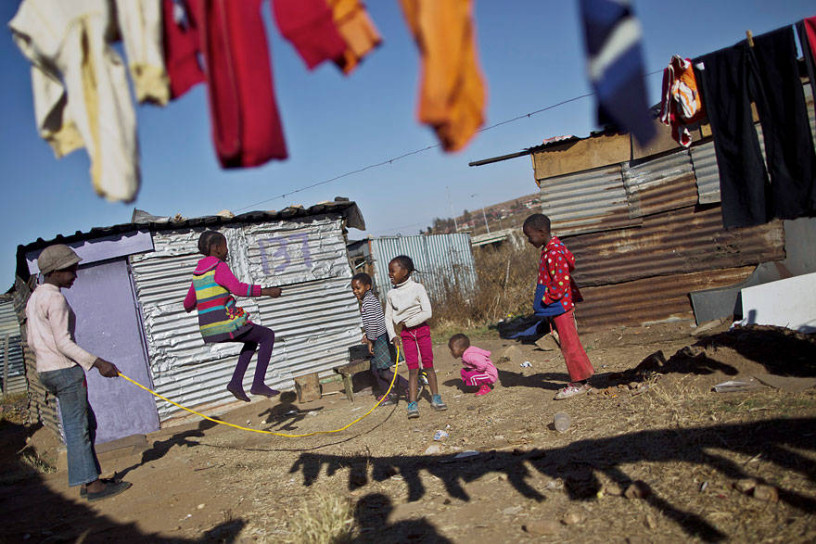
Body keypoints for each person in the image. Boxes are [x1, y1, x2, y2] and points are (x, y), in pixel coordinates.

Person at [26, 244, 131, 501]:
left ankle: (88, 477)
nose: (75, 274)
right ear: (55, 271)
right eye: (71, 270)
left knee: (86, 423)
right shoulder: (56, 298)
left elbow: (31, 341)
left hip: (46, 371)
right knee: (79, 427)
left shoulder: (35, 297)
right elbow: (64, 343)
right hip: (64, 370)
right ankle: (92, 486)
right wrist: (99, 363)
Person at [184, 231, 282, 402]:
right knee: (267, 335)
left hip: (209, 329)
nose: (227, 250)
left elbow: (187, 304)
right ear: (217, 248)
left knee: (251, 340)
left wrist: (205, 299)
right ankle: (258, 383)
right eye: (225, 246)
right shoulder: (218, 266)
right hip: (224, 324)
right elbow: (238, 289)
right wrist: (267, 292)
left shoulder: (198, 273)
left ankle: (236, 383)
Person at [522, 214, 595, 399]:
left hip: (560, 307)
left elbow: (560, 284)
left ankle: (578, 383)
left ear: (541, 232)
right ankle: (583, 378)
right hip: (559, 306)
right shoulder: (551, 249)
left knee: (569, 345)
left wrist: (546, 299)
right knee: (571, 343)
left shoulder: (554, 253)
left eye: (530, 236)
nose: (529, 241)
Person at [384, 255, 447, 418]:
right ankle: (412, 404)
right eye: (389, 271)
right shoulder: (391, 294)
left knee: (428, 365)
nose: (390, 274)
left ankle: (435, 397)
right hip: (406, 335)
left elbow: (428, 312)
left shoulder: (418, 288)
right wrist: (393, 336)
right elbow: (388, 318)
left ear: (404, 272)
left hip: (422, 331)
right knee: (412, 368)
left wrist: (408, 323)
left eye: (393, 271)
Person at [351, 272, 409, 406]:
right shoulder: (368, 301)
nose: (355, 291)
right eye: (353, 288)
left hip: (380, 339)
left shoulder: (369, 302)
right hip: (378, 336)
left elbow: (373, 324)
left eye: (357, 288)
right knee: (376, 369)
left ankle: (407, 386)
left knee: (383, 371)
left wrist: (370, 340)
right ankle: (389, 394)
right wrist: (369, 335)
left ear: (368, 287)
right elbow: (373, 322)